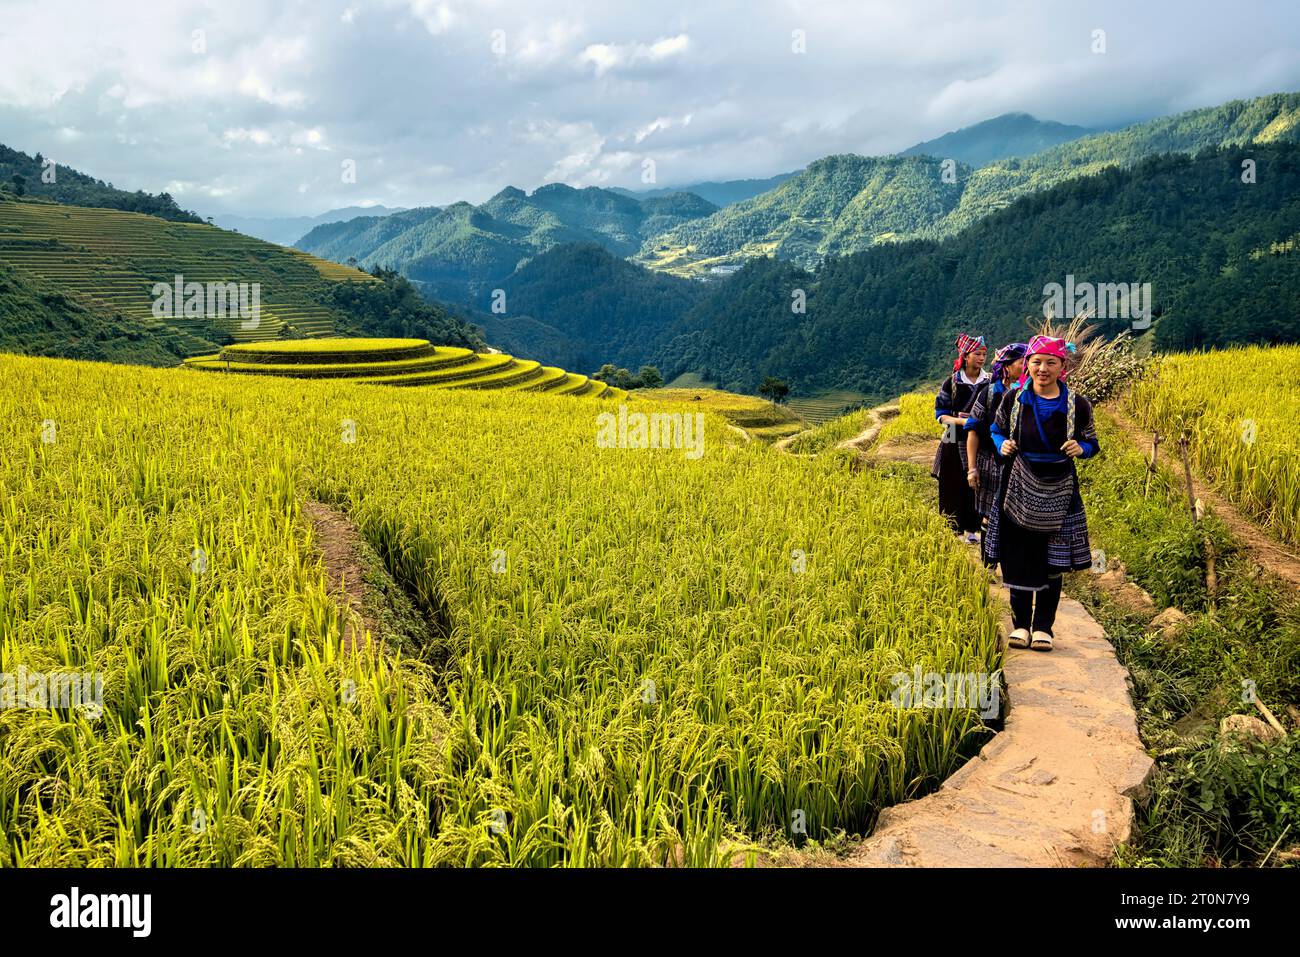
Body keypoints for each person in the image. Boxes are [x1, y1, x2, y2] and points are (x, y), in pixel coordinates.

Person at [982, 335, 1100, 651]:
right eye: (1036, 362)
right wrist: (1001, 444)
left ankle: (1043, 627)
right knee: (1018, 557)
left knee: (1051, 561)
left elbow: (1092, 442)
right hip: (1017, 485)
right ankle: (1020, 625)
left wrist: (1082, 447)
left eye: (1050, 362)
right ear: (1028, 365)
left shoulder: (1078, 405)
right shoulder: (1013, 400)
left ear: (1063, 366)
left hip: (1059, 490)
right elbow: (995, 430)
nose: (1042, 368)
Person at [932, 334, 989, 542]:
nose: (982, 358)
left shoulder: (989, 382)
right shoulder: (952, 382)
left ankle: (972, 529)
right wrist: (964, 422)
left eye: (984, 354)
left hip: (979, 436)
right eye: (977, 354)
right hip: (952, 435)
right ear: (965, 356)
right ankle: (952, 529)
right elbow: (941, 415)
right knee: (951, 482)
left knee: (975, 482)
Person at [964, 342, 1027, 524]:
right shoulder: (990, 393)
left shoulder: (1031, 394)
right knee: (989, 517)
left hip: (1022, 466)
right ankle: (988, 553)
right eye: (1022, 362)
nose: (1027, 367)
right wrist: (972, 468)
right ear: (1007, 366)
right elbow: (973, 431)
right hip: (990, 463)